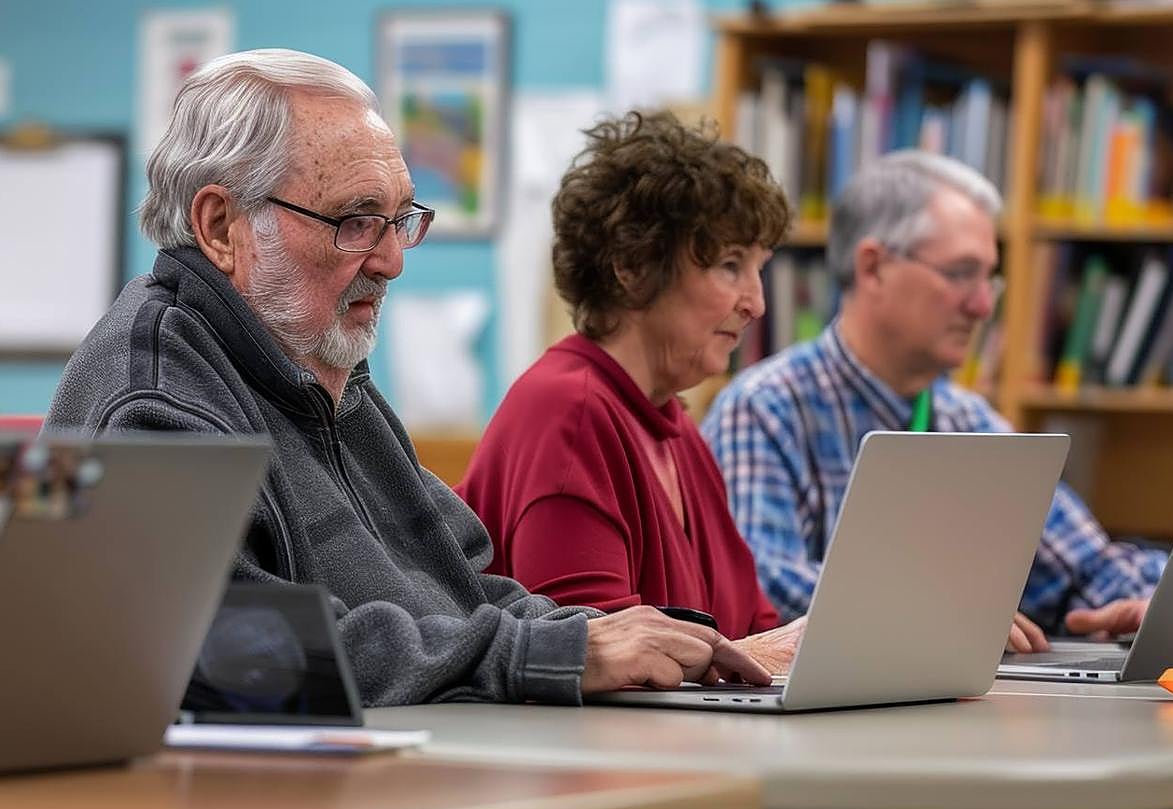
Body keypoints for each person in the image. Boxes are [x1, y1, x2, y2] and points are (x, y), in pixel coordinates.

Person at [43, 49, 770, 707]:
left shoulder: (324, 369)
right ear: (221, 226)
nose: (392, 259)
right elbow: (226, 653)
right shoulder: (154, 395)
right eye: (357, 221)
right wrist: (554, 653)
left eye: (400, 219)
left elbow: (463, 592)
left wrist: (618, 639)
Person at [702, 150, 1165, 648]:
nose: (984, 304)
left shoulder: (971, 422)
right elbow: (757, 588)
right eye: (961, 273)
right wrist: (942, 609)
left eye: (989, 278)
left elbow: (1087, 570)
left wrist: (1151, 599)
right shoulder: (764, 410)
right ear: (874, 267)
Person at [452, 111, 796, 673]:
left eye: (760, 270)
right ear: (633, 268)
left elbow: (753, 629)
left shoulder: (672, 423)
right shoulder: (570, 411)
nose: (756, 302)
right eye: (731, 266)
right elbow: (598, 663)